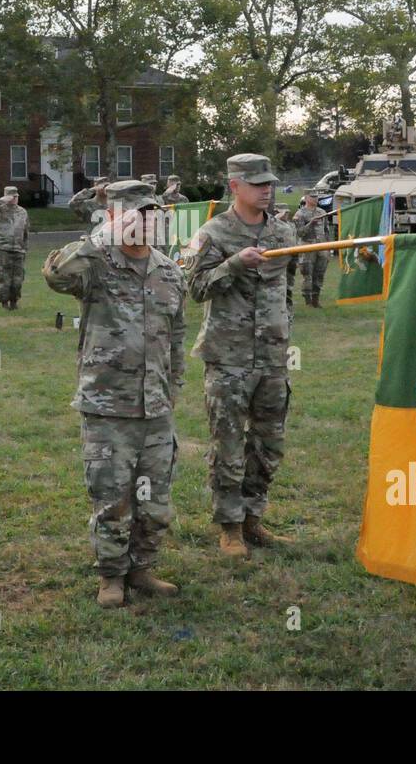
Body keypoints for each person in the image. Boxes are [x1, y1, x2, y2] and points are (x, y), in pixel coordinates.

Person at [43, 180, 186, 609]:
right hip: (107, 404)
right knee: (111, 498)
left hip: (156, 406)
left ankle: (142, 567)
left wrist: (173, 386)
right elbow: (55, 275)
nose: (146, 221)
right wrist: (102, 236)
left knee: (154, 498)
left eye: (152, 212)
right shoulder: (95, 265)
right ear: (113, 218)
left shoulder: (169, 270)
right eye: (136, 213)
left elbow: (176, 336)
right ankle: (110, 575)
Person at [181, 153, 297, 559]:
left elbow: (287, 287)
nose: (267, 190)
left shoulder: (283, 233)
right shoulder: (211, 233)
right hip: (228, 357)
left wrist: (285, 331)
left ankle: (253, 518)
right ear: (234, 186)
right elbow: (193, 288)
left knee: (269, 444)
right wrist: (231, 264)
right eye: (257, 184)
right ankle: (229, 527)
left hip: (271, 356)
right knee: (228, 444)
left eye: (269, 183)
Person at [0, 185, 30, 310]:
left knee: (18, 278)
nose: (14, 199)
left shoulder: (22, 211)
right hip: (3, 248)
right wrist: (1, 200)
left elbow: (26, 230)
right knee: (4, 277)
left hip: (19, 249)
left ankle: (14, 301)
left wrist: (25, 247)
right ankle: (4, 302)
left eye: (16, 197)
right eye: (12, 197)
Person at [294, 188, 330, 307]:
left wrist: (329, 246)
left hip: (322, 246)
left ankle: (316, 298)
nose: (315, 199)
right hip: (307, 246)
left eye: (316, 197)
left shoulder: (322, 212)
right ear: (306, 198)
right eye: (313, 197)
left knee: (320, 273)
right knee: (307, 274)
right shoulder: (300, 214)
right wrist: (310, 224)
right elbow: (299, 233)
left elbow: (326, 230)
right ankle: (308, 300)